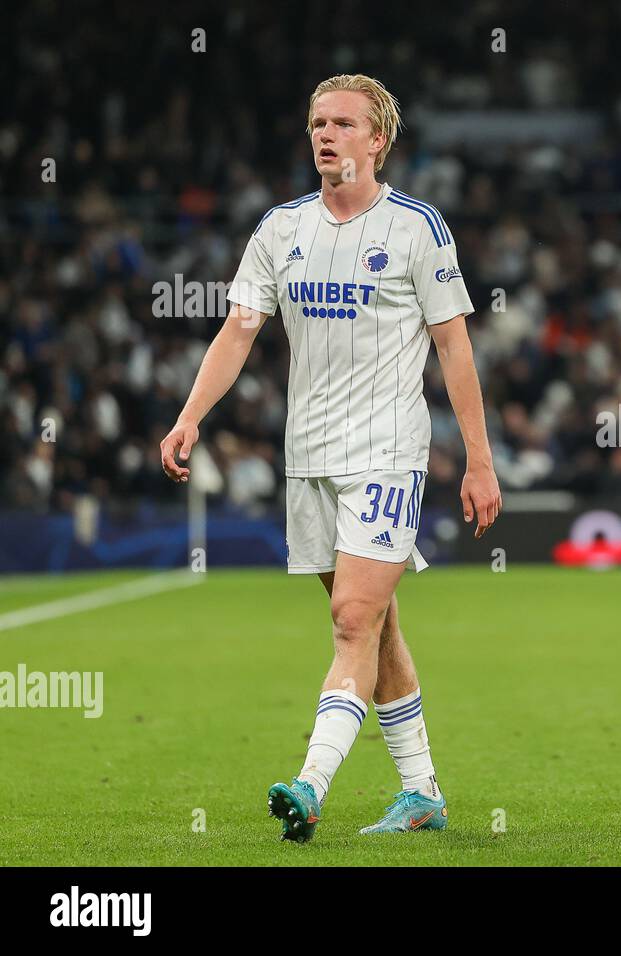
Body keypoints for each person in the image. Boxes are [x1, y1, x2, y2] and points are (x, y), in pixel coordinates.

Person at [160, 74, 501, 842]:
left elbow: (453, 343)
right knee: (374, 629)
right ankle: (423, 794)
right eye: (317, 122)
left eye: (343, 123)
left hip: (387, 452)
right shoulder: (281, 229)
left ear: (377, 139)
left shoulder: (417, 228)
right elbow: (239, 330)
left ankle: (310, 786)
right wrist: (190, 417)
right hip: (307, 457)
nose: (325, 134)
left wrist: (478, 459)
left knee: (352, 619)